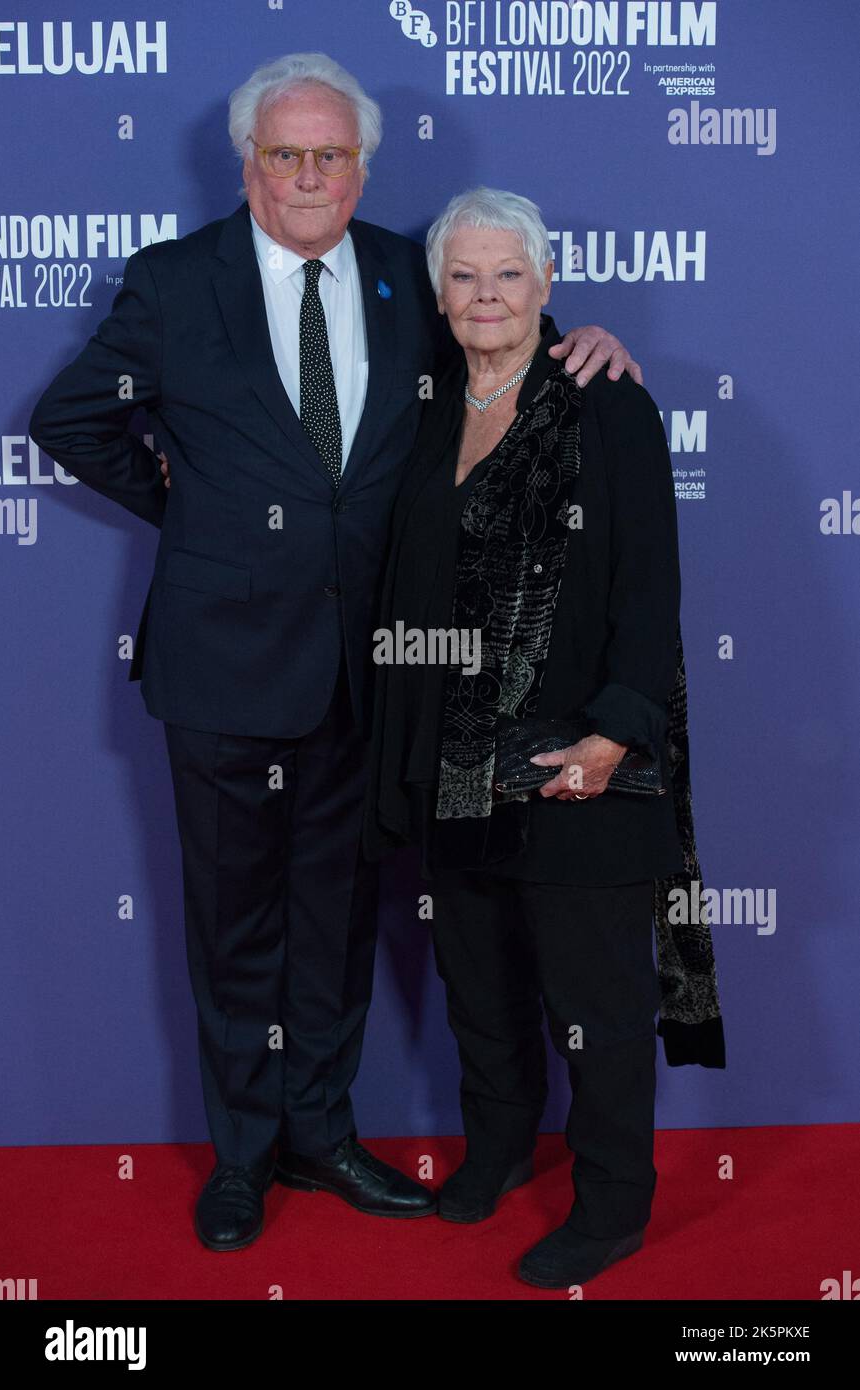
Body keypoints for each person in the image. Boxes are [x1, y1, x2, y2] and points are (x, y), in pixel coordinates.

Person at [28, 52, 639, 1254]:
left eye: (331, 155)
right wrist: (193, 512)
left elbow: (501, 332)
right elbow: (71, 417)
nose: (308, 175)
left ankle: (321, 1130)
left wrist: (587, 342)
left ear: (360, 168)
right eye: (284, 154)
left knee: (338, 918)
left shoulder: (406, 276)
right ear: (246, 164)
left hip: (372, 672)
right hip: (221, 670)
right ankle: (244, 1156)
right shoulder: (171, 282)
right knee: (233, 927)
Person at [364, 186, 725, 1290]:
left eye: (507, 274)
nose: (485, 295)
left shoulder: (601, 398)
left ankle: (613, 1201)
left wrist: (617, 733)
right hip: (452, 759)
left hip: (576, 758)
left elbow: (647, 581)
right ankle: (500, 1148)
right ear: (439, 292)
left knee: (596, 1001)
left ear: (546, 286)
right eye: (465, 276)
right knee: (479, 982)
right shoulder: (420, 400)